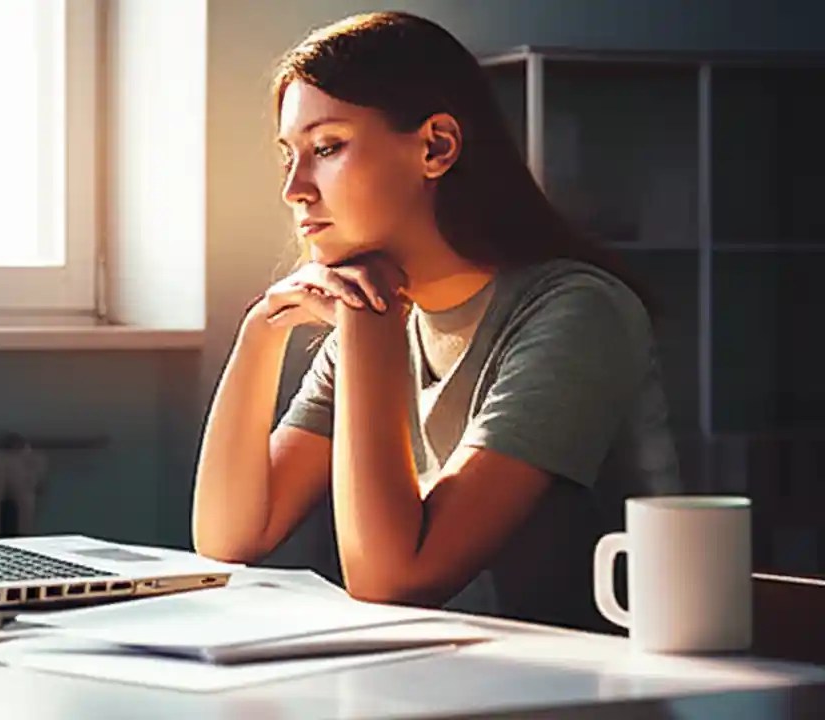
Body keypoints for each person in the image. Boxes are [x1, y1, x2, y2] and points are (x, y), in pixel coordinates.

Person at [191, 11, 681, 630]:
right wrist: (262, 330)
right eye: (289, 154)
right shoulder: (380, 314)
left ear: (435, 147)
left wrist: (367, 328)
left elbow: (395, 578)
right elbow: (231, 534)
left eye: (327, 148)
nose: (294, 188)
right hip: (452, 671)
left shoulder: (577, 311)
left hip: (599, 685)